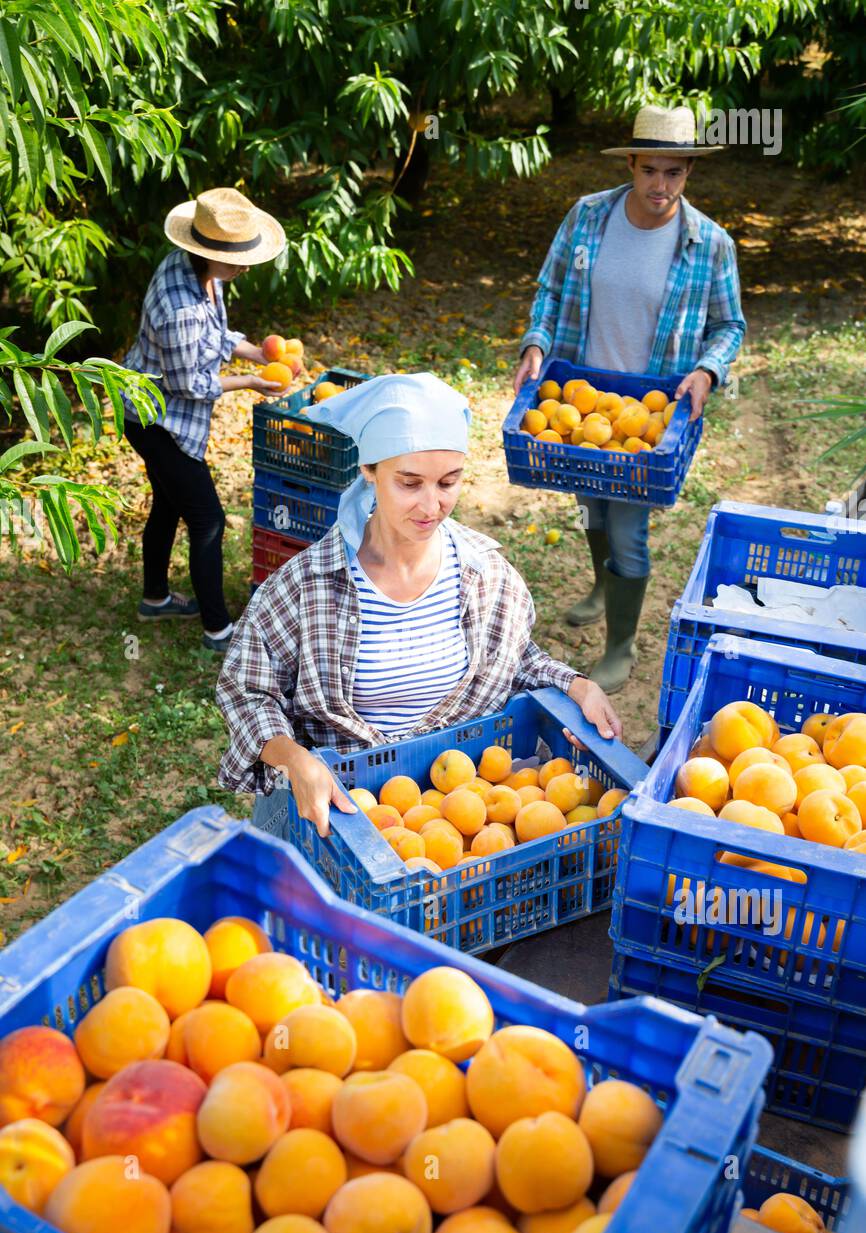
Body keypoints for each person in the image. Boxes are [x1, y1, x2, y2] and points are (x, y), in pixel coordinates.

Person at [215, 372, 621, 840]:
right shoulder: (307, 587)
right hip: (341, 814)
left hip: (451, 812)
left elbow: (515, 658)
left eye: (448, 482)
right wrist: (294, 758)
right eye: (410, 483)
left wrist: (577, 685)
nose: (432, 505)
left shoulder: (484, 575)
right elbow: (247, 691)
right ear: (369, 472)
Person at [513, 105, 746, 693]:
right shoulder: (588, 218)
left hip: (651, 415)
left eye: (675, 173)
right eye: (650, 171)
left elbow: (729, 326)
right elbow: (551, 290)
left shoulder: (709, 244)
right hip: (582, 401)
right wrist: (536, 345)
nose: (660, 186)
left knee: (628, 529)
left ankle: (621, 644)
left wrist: (707, 370)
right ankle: (601, 585)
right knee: (592, 502)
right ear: (632, 165)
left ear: (689, 171)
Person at [122, 187, 290, 653]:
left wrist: (255, 352)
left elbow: (214, 335)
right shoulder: (179, 308)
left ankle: (154, 598)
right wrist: (252, 382)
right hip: (157, 420)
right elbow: (188, 384)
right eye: (237, 258)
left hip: (163, 412)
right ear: (208, 252)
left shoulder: (198, 275)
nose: (244, 265)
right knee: (208, 520)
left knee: (169, 504)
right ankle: (219, 631)